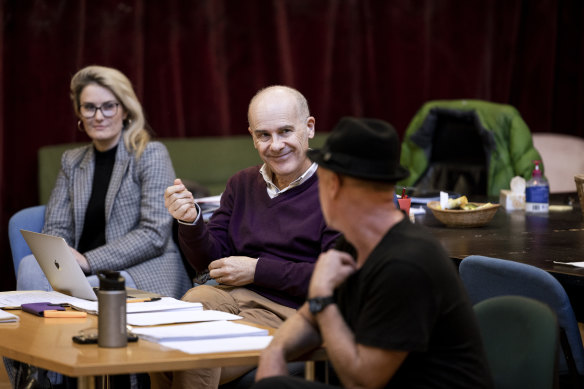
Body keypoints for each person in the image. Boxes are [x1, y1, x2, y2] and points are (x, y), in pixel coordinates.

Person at [252, 117, 494, 389]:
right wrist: (274, 353)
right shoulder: (354, 244)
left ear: (332, 184)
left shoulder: (406, 263)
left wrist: (322, 298)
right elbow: (309, 317)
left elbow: (363, 381)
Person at [158, 85, 340, 388]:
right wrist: (190, 222)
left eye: (285, 131)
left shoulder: (335, 190)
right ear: (252, 136)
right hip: (231, 298)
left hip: (295, 312)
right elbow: (209, 261)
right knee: (188, 310)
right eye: (263, 135)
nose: (276, 145)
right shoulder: (241, 183)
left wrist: (256, 269)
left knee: (184, 355)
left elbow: (332, 279)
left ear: (309, 128)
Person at [16, 65, 192, 298]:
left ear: (126, 111)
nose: (98, 116)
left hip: (140, 270)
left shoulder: (150, 154)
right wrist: (64, 260)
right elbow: (57, 228)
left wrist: (88, 260)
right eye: (89, 107)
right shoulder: (71, 161)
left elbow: (153, 235)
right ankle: (39, 332)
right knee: (29, 265)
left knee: (80, 292)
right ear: (80, 113)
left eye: (109, 106)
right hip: (82, 272)